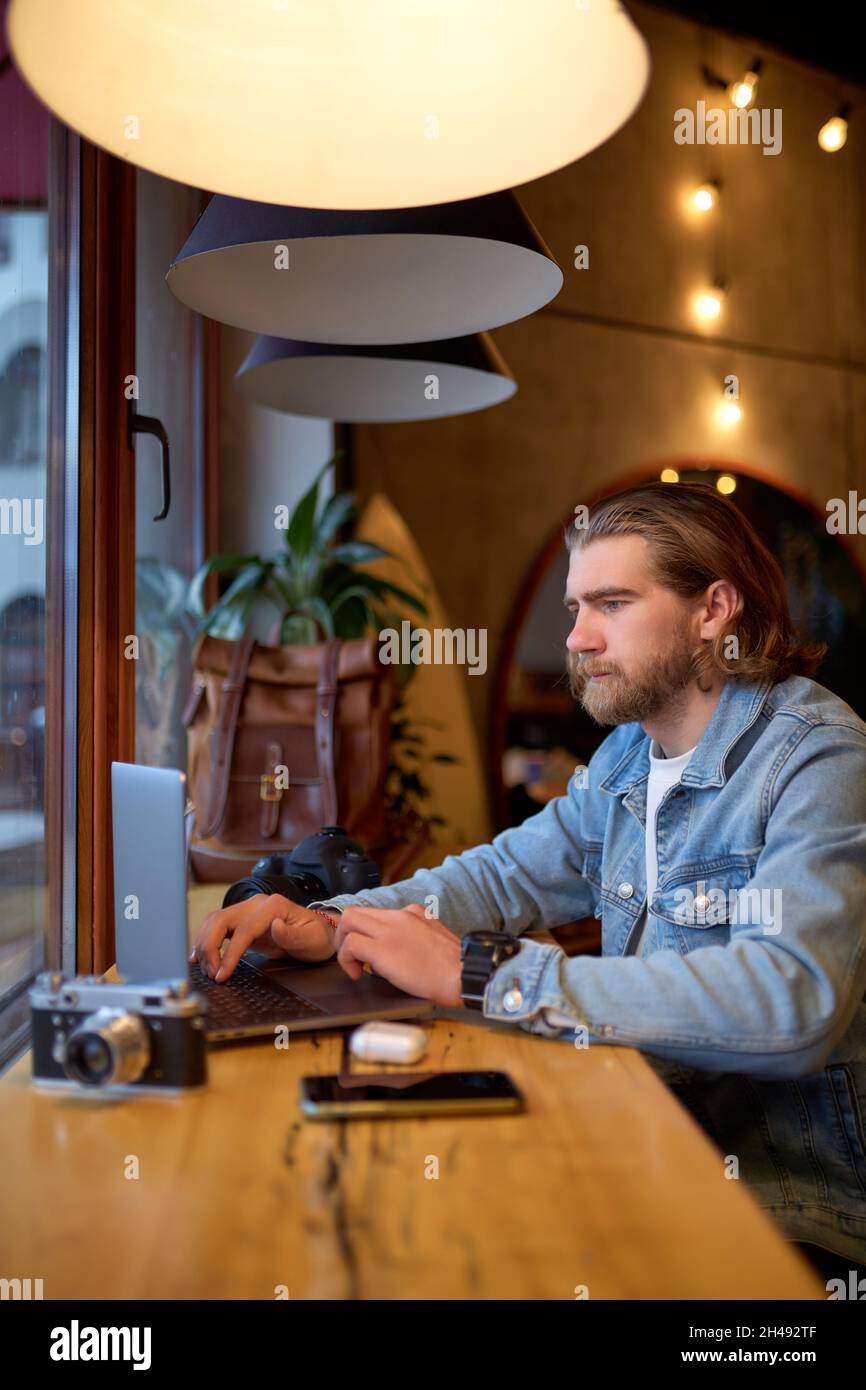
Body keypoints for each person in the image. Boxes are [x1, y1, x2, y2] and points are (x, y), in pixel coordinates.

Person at [191, 481, 866, 1273]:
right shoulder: (626, 755)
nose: (576, 638)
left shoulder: (818, 757)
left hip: (786, 1210)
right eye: (576, 607)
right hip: (646, 1136)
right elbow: (502, 876)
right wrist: (338, 921)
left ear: (712, 610)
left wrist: (482, 974)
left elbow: (792, 1002)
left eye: (610, 603)